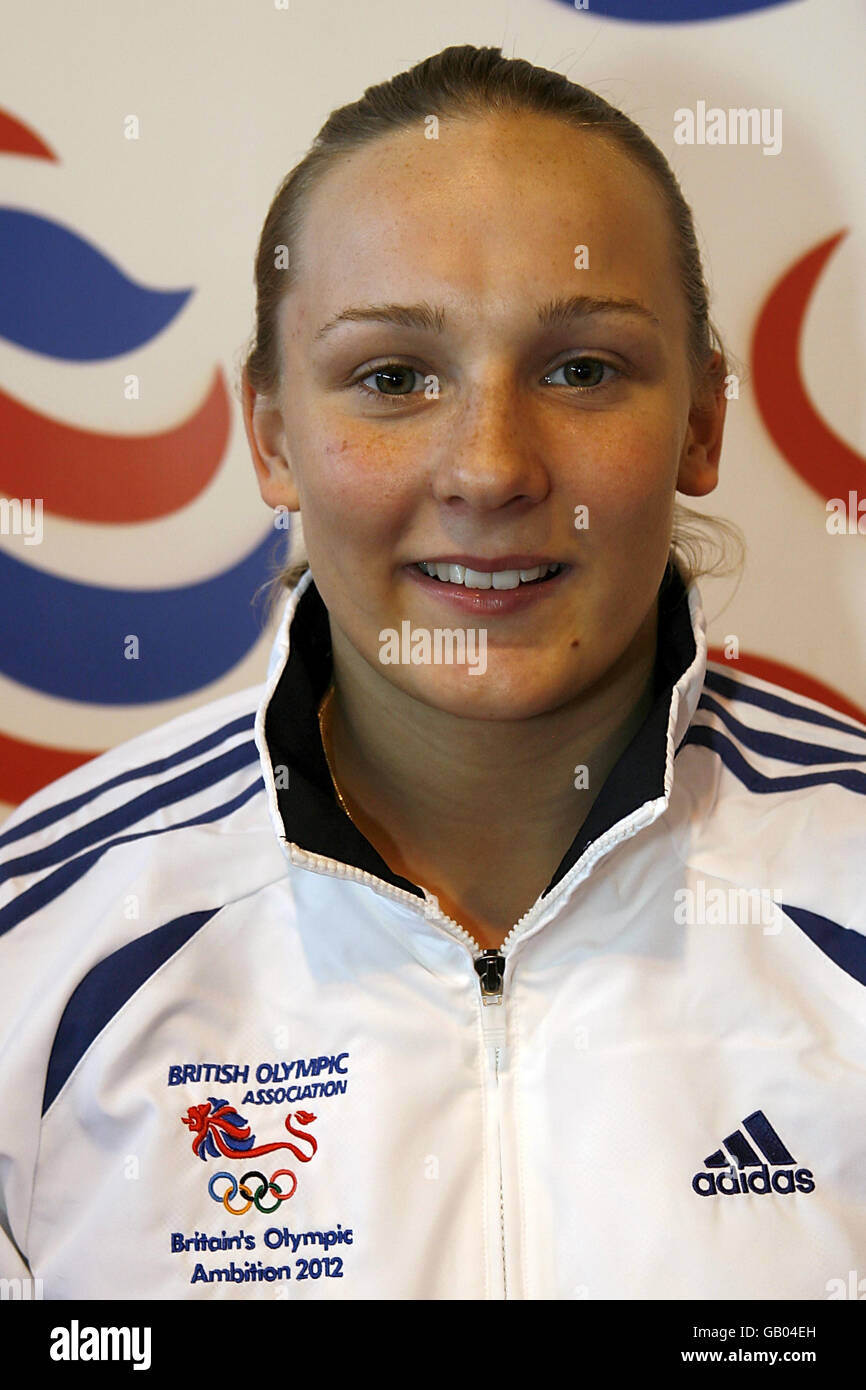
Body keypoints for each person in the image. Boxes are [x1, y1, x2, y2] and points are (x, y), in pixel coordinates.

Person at [1, 44, 864, 1303]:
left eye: (580, 369)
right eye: (393, 377)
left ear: (700, 420)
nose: (489, 470)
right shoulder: (44, 946)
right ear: (272, 434)